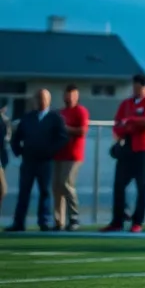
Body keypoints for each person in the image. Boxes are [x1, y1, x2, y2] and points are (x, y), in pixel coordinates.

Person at [5, 89, 68, 232]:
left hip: (45, 161)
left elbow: (63, 137)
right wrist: (19, 151)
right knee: (24, 192)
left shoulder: (55, 117)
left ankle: (44, 221)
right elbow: (17, 137)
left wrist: (50, 151)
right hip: (28, 161)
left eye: (43, 98)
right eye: (38, 98)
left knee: (45, 191)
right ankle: (19, 222)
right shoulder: (28, 118)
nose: (41, 101)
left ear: (49, 100)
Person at [104, 74, 145, 233]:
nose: (135, 91)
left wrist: (129, 121)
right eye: (134, 87)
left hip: (143, 149)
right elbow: (117, 124)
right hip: (127, 147)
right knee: (119, 184)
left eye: (138, 88)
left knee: (141, 186)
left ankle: (138, 221)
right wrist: (127, 126)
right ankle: (117, 220)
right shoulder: (126, 103)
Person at [52, 85, 89, 230]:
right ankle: (58, 220)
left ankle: (74, 217)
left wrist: (65, 128)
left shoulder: (81, 111)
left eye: (72, 95)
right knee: (56, 187)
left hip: (73, 155)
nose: (69, 98)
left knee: (66, 183)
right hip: (59, 153)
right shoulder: (60, 113)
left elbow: (82, 130)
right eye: (67, 95)